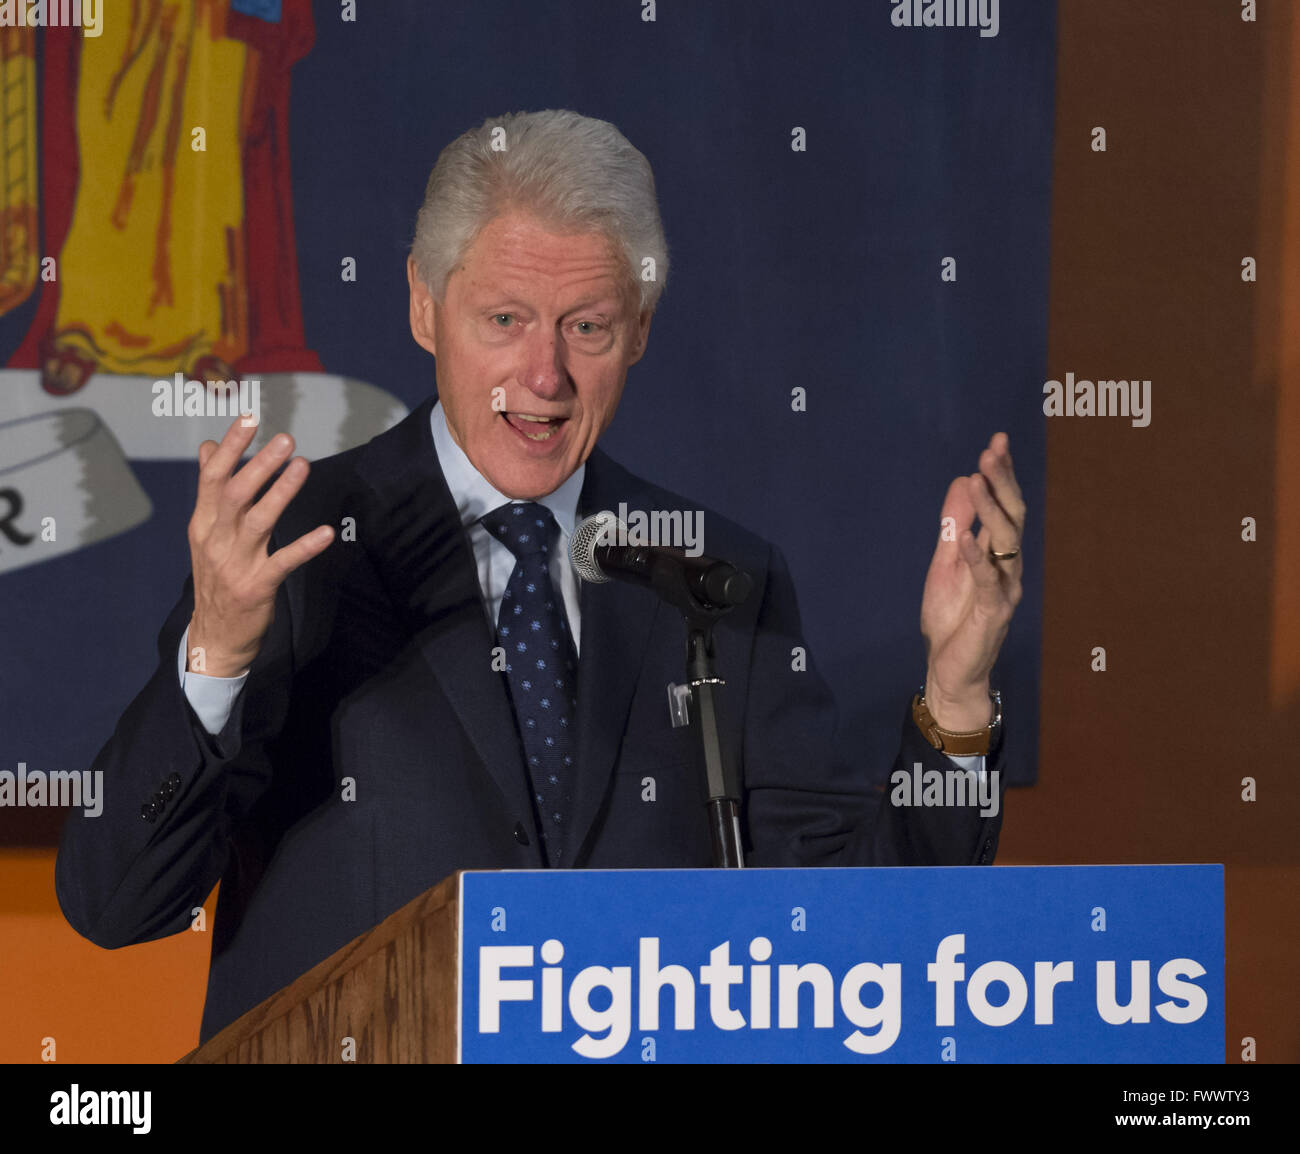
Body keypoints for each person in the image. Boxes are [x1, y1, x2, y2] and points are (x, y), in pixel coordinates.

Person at [56, 110, 1026, 1044]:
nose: (544, 373)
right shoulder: (301, 547)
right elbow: (113, 901)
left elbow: (870, 939)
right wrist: (218, 649)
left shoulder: (712, 576)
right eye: (505, 318)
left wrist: (956, 690)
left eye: (587, 327)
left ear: (639, 330)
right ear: (424, 307)